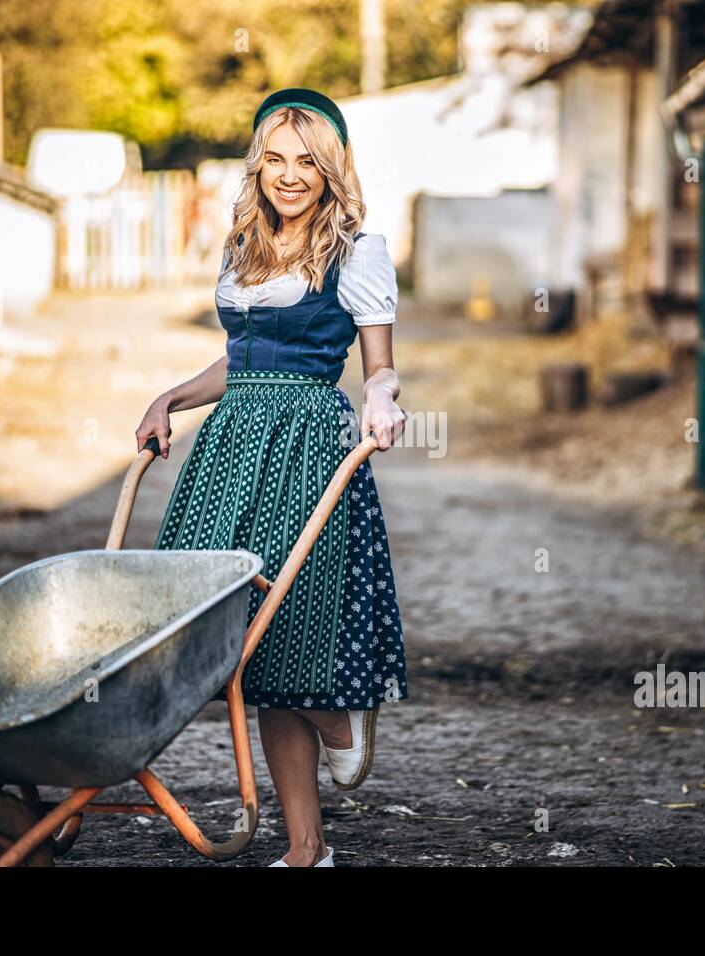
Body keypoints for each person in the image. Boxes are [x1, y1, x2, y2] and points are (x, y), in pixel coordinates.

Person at [135, 88, 409, 868]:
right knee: (236, 646)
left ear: (331, 169)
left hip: (307, 447)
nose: (290, 176)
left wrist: (381, 402)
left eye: (308, 162)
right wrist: (172, 397)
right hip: (230, 449)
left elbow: (379, 367)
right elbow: (241, 360)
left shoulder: (356, 250)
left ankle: (335, 727)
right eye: (277, 160)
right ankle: (308, 850)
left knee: (285, 633)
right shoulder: (242, 249)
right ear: (259, 166)